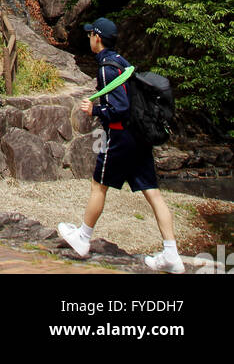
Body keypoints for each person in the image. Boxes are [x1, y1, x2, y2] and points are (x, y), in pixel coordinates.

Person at [58, 18, 184, 274]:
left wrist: (96, 109)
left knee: (98, 186)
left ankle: (83, 238)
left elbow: (119, 108)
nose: (89, 38)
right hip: (138, 136)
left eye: (91, 34)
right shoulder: (122, 62)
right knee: (153, 192)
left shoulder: (106, 67)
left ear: (98, 37)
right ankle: (172, 254)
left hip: (119, 137)